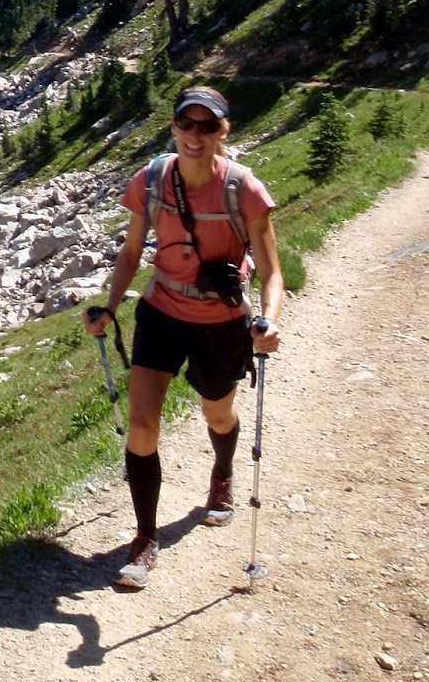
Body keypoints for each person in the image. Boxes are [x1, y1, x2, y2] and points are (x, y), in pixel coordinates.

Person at [82, 84, 283, 589]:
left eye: (207, 125)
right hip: (161, 311)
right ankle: (145, 539)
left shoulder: (244, 189)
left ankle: (222, 476)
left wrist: (268, 318)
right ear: (173, 126)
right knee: (142, 425)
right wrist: (110, 306)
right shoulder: (150, 180)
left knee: (218, 410)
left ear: (223, 131)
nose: (196, 135)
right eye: (186, 124)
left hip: (221, 320)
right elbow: (131, 252)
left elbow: (273, 271)